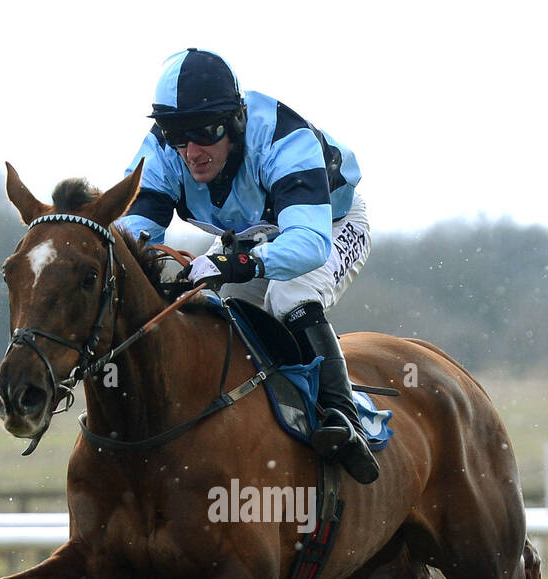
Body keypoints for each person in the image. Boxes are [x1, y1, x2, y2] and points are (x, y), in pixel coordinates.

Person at [117, 47, 379, 484]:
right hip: (255, 235)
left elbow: (309, 244)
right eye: (177, 134)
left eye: (205, 132)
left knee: (290, 293)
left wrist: (235, 260)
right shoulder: (164, 152)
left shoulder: (282, 138)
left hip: (329, 224)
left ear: (236, 121)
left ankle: (342, 416)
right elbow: (131, 242)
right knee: (219, 309)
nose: (192, 151)